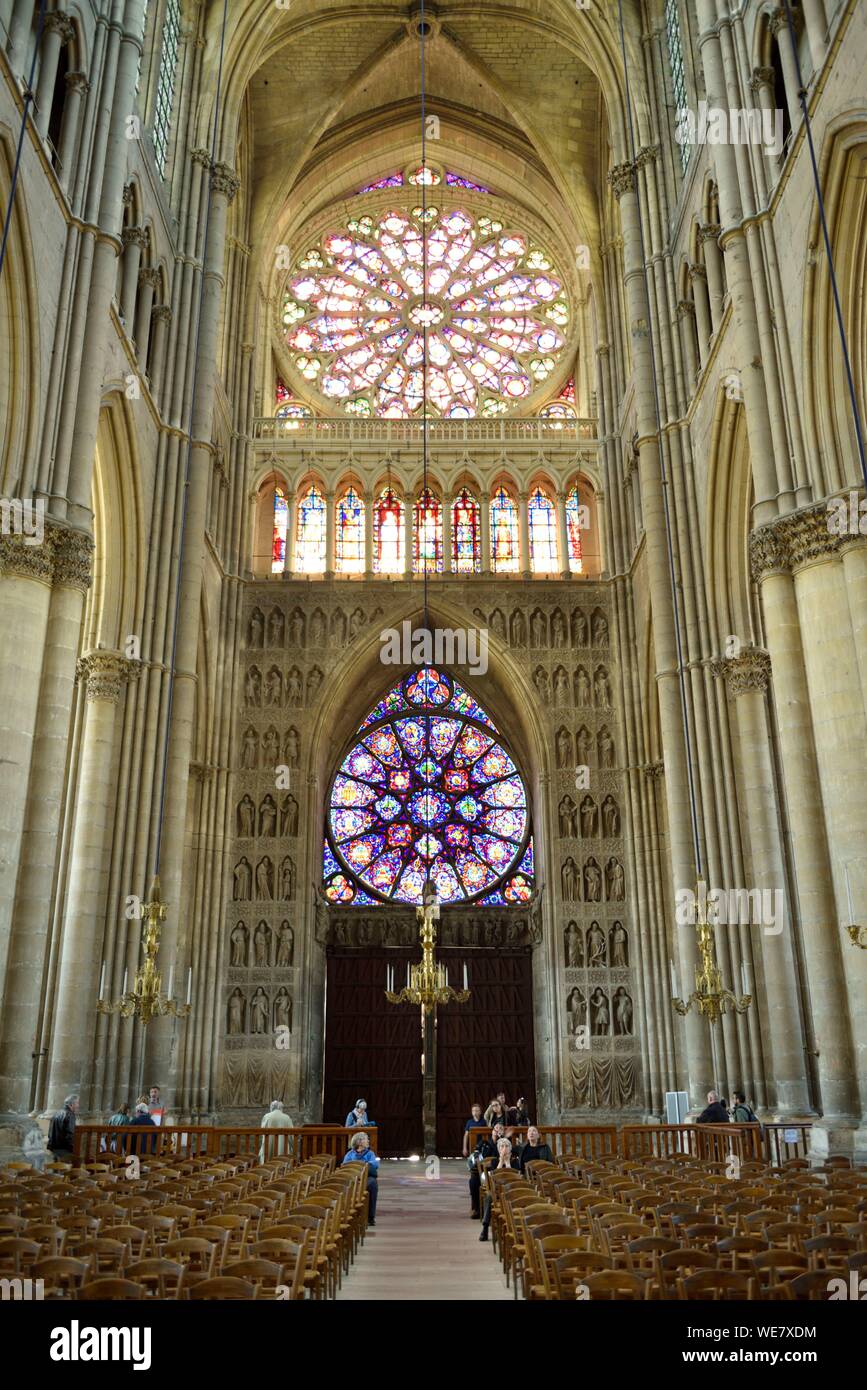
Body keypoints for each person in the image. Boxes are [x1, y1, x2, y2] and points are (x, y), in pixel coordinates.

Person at [479, 1136, 519, 1241]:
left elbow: (516, 1179)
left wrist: (508, 1163)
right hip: (497, 1190)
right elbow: (492, 1179)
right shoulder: (494, 1162)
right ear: (498, 1149)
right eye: (502, 1146)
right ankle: (485, 1228)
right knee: (488, 1197)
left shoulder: (515, 1162)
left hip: (512, 1190)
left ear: (510, 1149)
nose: (504, 1148)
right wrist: (501, 1162)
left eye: (506, 1146)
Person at [342, 1130, 380, 1226]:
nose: (368, 1141)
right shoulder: (350, 1154)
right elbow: (344, 1166)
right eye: (366, 1139)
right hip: (353, 1177)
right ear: (359, 1142)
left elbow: (375, 1164)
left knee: (372, 1184)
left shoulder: (370, 1153)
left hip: (366, 1177)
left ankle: (370, 1217)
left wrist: (360, 1165)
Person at [468, 1123, 504, 1219]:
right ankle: (477, 1209)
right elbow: (476, 1153)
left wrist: (501, 1139)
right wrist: (478, 1160)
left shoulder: (504, 1143)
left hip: (498, 1171)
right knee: (473, 1181)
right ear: (492, 1131)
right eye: (496, 1128)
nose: (498, 1130)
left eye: (500, 1128)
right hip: (483, 1172)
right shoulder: (484, 1143)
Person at [259, 1099, 295, 1163]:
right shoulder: (286, 1117)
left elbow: (262, 1131)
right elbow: (291, 1134)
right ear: (281, 1108)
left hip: (268, 1143)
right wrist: (293, 1145)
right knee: (282, 1160)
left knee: (267, 1160)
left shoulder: (267, 1117)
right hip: (283, 1145)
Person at [48, 1093, 79, 1162]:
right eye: (77, 1103)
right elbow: (70, 1133)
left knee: (55, 1169)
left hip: (54, 1148)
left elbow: (50, 1131)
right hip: (64, 1150)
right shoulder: (70, 1115)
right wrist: (72, 1149)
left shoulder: (56, 1113)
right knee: (65, 1171)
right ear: (71, 1104)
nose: (78, 1106)